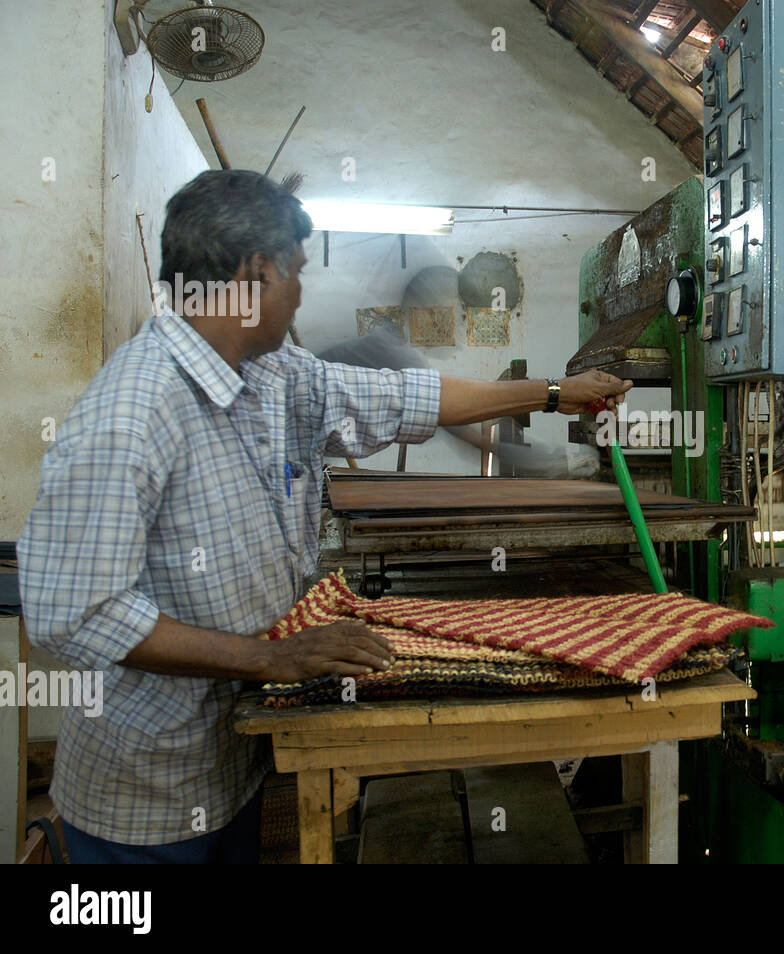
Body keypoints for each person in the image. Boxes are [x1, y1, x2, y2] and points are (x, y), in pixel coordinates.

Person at [17, 169, 631, 863]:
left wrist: (555, 393)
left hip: (236, 761)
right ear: (258, 270)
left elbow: (407, 399)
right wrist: (270, 658)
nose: (302, 293)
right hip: (147, 794)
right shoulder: (134, 409)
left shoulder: (273, 376)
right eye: (298, 274)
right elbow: (75, 612)